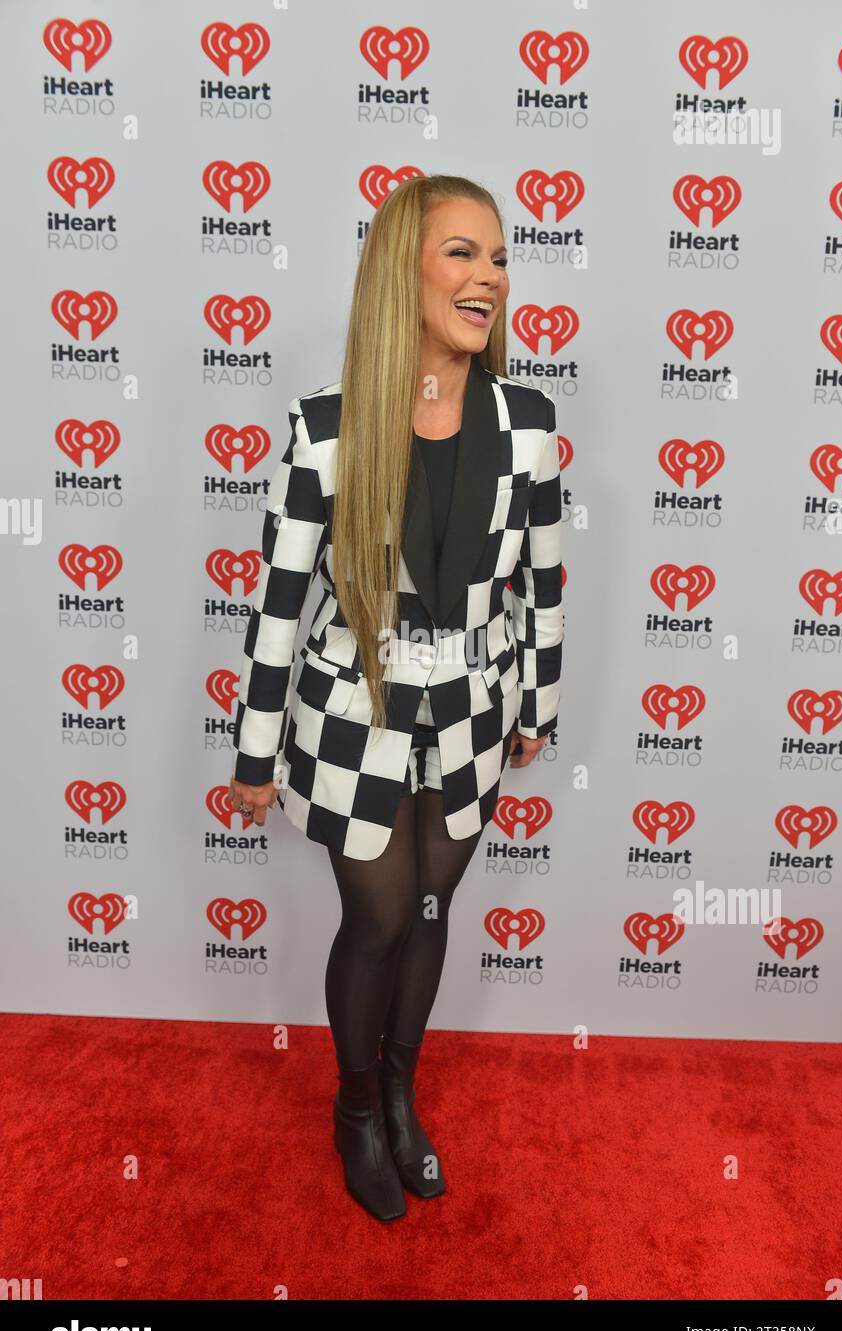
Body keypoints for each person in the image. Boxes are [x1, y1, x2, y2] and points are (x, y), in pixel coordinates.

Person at [228, 174, 563, 1222]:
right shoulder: (325, 428)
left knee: (430, 908)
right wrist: (253, 752)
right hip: (351, 711)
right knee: (377, 916)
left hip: (471, 706)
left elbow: (542, 582)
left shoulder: (528, 423)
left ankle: (405, 1095)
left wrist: (536, 706)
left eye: (499, 257)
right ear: (399, 272)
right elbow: (281, 598)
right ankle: (357, 1109)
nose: (488, 277)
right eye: (462, 252)